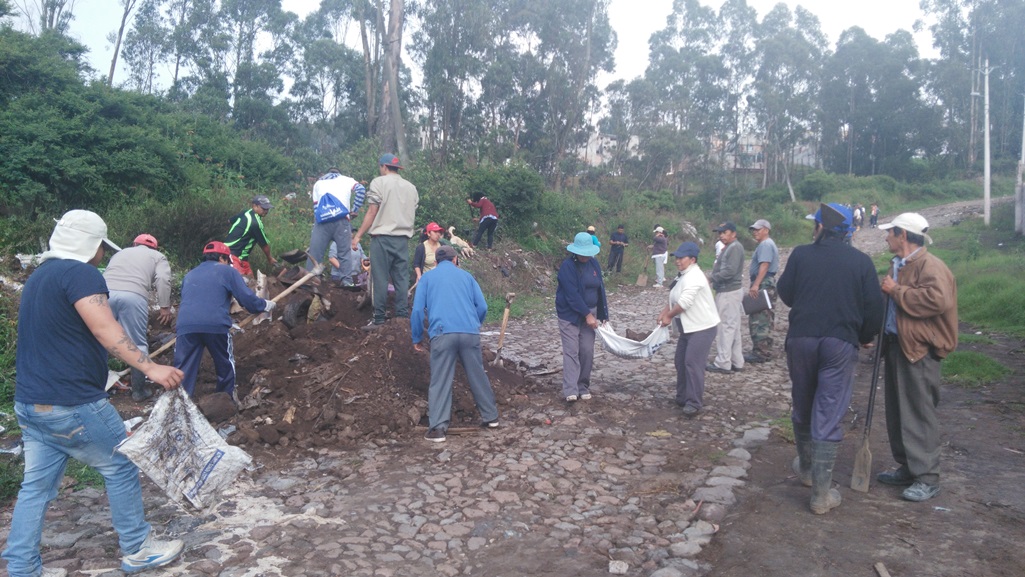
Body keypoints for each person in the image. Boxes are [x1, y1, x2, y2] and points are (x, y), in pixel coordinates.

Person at [4, 210, 185, 577]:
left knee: (36, 487)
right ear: (93, 245)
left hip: (31, 403)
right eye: (102, 246)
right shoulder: (81, 274)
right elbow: (105, 329)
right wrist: (150, 367)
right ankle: (137, 549)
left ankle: (23, 568)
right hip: (72, 403)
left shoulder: (40, 276)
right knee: (120, 463)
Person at [777, 202, 884, 515]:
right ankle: (821, 495)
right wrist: (865, 335)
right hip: (839, 343)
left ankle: (807, 469)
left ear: (821, 227)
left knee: (803, 403)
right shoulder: (861, 262)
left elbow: (786, 294)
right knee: (828, 410)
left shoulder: (801, 254)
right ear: (848, 231)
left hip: (802, 339)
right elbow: (874, 308)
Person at [877, 213, 958, 502]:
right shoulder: (899, 264)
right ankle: (908, 467)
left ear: (902, 235)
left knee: (919, 413)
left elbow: (936, 301)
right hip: (897, 345)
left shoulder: (930, 265)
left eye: (890, 232)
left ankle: (927, 477)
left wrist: (896, 290)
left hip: (920, 350)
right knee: (898, 410)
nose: (886, 237)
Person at [411, 245, 499, 442]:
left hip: (442, 333)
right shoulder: (467, 277)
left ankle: (438, 428)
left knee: (440, 379)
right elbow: (482, 306)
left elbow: (417, 311)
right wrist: (474, 324)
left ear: (435, 262)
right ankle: (491, 417)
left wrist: (417, 338)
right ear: (455, 259)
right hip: (469, 333)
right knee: (477, 374)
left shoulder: (427, 278)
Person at [174, 241, 275, 401]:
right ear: (222, 258)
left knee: (183, 368)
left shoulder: (190, 274)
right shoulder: (227, 271)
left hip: (185, 326)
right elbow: (246, 299)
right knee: (224, 363)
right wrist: (264, 305)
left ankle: (180, 403)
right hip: (215, 325)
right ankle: (224, 401)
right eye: (228, 260)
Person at [352, 153, 419, 330]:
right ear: (397, 168)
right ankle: (402, 317)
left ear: (384, 167)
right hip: (402, 240)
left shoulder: (379, 183)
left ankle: (379, 319)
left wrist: (358, 236)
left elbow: (372, 212)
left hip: (382, 238)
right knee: (401, 278)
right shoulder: (411, 188)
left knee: (380, 278)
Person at [103, 233, 174, 401]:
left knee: (101, 339)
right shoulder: (158, 256)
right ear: (154, 247)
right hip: (134, 296)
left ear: (134, 244)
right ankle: (138, 391)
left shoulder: (120, 253)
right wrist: (164, 306)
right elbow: (163, 279)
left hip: (104, 295)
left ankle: (96, 389)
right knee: (137, 344)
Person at [656, 242, 719, 417]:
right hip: (688, 328)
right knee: (680, 361)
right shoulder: (682, 275)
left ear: (692, 259)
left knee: (692, 362)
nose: (677, 261)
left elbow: (684, 303)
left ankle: (694, 402)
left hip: (702, 327)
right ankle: (682, 396)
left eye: (681, 258)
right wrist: (664, 312)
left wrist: (669, 316)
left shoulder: (695, 277)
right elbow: (674, 297)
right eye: (676, 258)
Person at [556, 232, 609, 402]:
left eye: (588, 253)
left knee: (587, 350)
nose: (585, 256)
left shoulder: (594, 264)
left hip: (591, 313)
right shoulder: (567, 267)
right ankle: (570, 389)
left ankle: (582, 385)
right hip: (569, 314)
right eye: (582, 253)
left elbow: (600, 288)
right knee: (571, 351)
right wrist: (587, 314)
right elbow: (572, 295)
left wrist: (603, 314)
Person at [308, 168, 365, 287]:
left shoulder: (318, 183)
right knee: (344, 253)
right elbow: (361, 190)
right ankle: (347, 282)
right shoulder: (346, 180)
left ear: (326, 174)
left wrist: (315, 229)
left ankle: (309, 280)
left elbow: (316, 208)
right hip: (341, 220)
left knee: (315, 252)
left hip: (322, 221)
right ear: (339, 173)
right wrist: (354, 209)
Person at [707, 222, 745, 374]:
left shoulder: (734, 248)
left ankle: (723, 362)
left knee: (725, 327)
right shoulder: (731, 247)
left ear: (733, 233)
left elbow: (730, 271)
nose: (721, 235)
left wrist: (711, 278)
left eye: (724, 232)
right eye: (720, 233)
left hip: (728, 291)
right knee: (733, 327)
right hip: (730, 291)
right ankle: (737, 360)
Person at [745, 219, 779, 363]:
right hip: (765, 281)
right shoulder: (766, 244)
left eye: (758, 229)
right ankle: (763, 350)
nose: (755, 232)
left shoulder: (765, 245)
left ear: (766, 230)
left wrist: (756, 284)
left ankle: (761, 352)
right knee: (764, 316)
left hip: (764, 282)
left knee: (760, 318)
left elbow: (764, 265)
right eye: (754, 229)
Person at [224, 195, 278, 276]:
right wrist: (270, 258)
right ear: (255, 206)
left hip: (241, 257)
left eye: (267, 209)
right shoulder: (255, 223)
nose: (266, 211)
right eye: (264, 208)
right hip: (233, 255)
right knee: (241, 281)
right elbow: (264, 245)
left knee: (251, 279)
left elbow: (229, 221)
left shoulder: (245, 212)